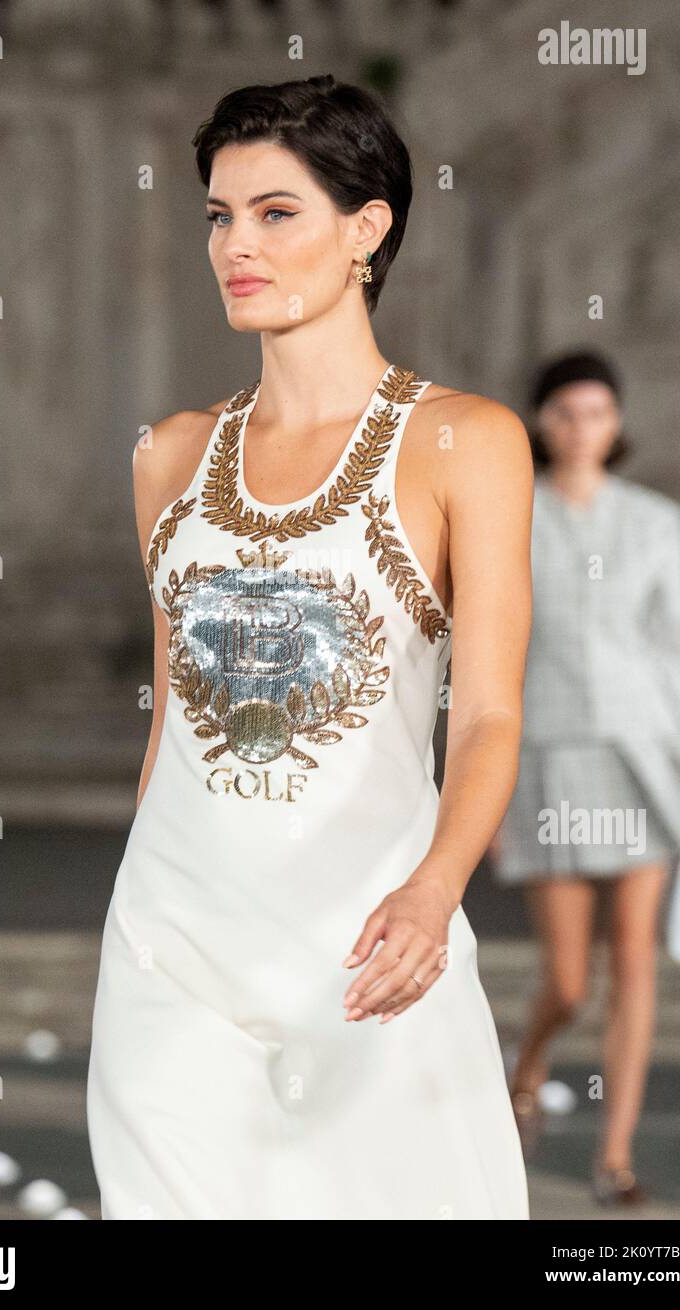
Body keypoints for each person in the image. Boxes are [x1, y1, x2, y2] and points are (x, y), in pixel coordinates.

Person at [86, 74, 534, 1220]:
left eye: (275, 212)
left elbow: (485, 713)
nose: (236, 244)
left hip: (370, 942)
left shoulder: (463, 442)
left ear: (365, 228)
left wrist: (435, 893)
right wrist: (139, 890)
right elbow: (173, 714)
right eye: (218, 215)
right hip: (171, 950)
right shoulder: (169, 457)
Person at [492, 349, 680, 1207]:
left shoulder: (655, 520)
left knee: (636, 959)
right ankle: (527, 1068)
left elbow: (674, 650)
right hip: (550, 751)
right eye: (564, 411)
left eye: (596, 412)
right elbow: (491, 647)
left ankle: (614, 1159)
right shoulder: (508, 515)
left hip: (643, 752)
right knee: (567, 978)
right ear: (541, 420)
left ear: (618, 422)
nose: (581, 427)